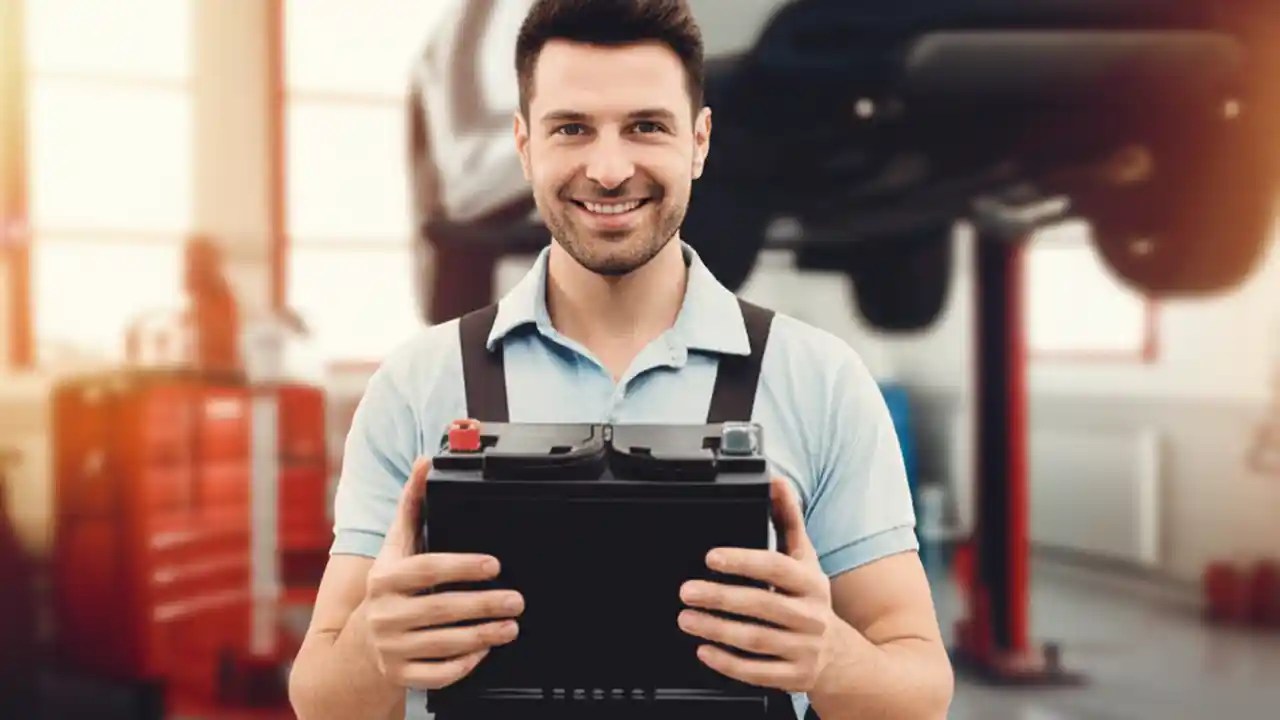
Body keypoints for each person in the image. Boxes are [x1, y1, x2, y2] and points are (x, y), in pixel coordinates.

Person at [287, 1, 954, 718]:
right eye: (572, 128)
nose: (609, 170)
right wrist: (370, 649)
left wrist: (830, 656)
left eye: (646, 126)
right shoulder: (418, 387)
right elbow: (322, 700)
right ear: (524, 145)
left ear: (699, 142)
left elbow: (919, 693)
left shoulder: (820, 382)